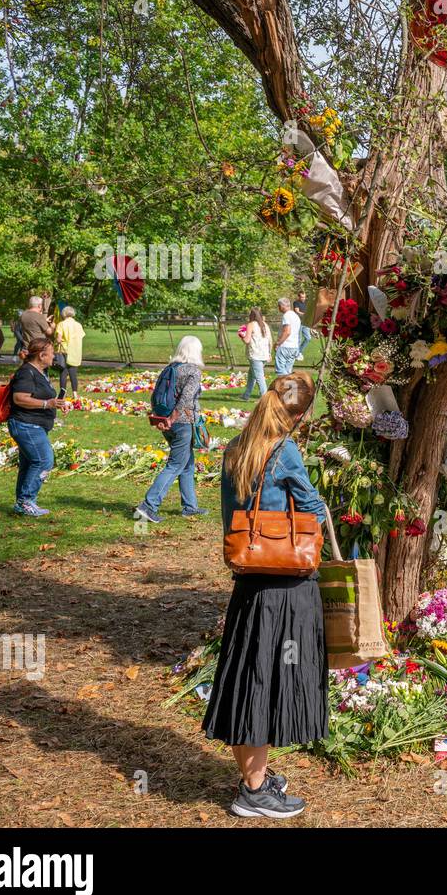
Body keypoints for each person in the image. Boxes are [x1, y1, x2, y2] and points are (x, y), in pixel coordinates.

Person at [204, 372, 329, 819]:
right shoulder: (284, 450)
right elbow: (312, 507)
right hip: (284, 582)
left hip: (249, 577)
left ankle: (253, 780)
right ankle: (254, 793)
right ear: (299, 413)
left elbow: (228, 516)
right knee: (267, 680)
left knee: (246, 678)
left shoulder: (237, 447)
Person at [134, 336, 207, 523]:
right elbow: (186, 400)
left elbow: (155, 395)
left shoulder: (170, 368)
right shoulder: (193, 371)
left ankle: (190, 507)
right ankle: (149, 505)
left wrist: (159, 418)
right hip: (181, 422)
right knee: (175, 465)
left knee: (187, 464)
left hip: (165, 421)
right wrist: (172, 419)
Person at [7, 336, 71, 515]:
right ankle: (26, 501)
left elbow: (43, 396)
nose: (54, 357)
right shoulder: (27, 372)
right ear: (42, 355)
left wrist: (57, 404)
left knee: (29, 463)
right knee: (44, 460)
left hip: (35, 425)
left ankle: (23, 503)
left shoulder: (41, 372)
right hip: (26, 425)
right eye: (51, 354)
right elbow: (19, 398)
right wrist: (47, 404)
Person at [240, 307, 272, 401]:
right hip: (264, 355)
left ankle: (264, 398)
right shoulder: (265, 325)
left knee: (259, 377)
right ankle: (246, 395)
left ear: (251, 315)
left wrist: (241, 335)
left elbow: (247, 340)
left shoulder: (251, 325)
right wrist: (269, 353)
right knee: (252, 375)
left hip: (255, 355)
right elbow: (270, 340)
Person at [54, 306, 85, 398]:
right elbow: (81, 336)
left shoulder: (61, 324)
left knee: (63, 373)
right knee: (73, 373)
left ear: (64, 314)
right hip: (75, 351)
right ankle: (75, 394)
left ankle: (63, 394)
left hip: (64, 350)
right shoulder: (78, 325)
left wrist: (56, 340)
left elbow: (59, 339)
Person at [275, 297, 301, 375]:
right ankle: (289, 386)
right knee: (288, 371)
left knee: (280, 371)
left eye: (278, 306)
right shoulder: (296, 316)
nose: (278, 308)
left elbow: (287, 332)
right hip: (294, 347)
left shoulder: (286, 316)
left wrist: (278, 343)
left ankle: (282, 386)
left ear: (282, 306)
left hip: (285, 346)